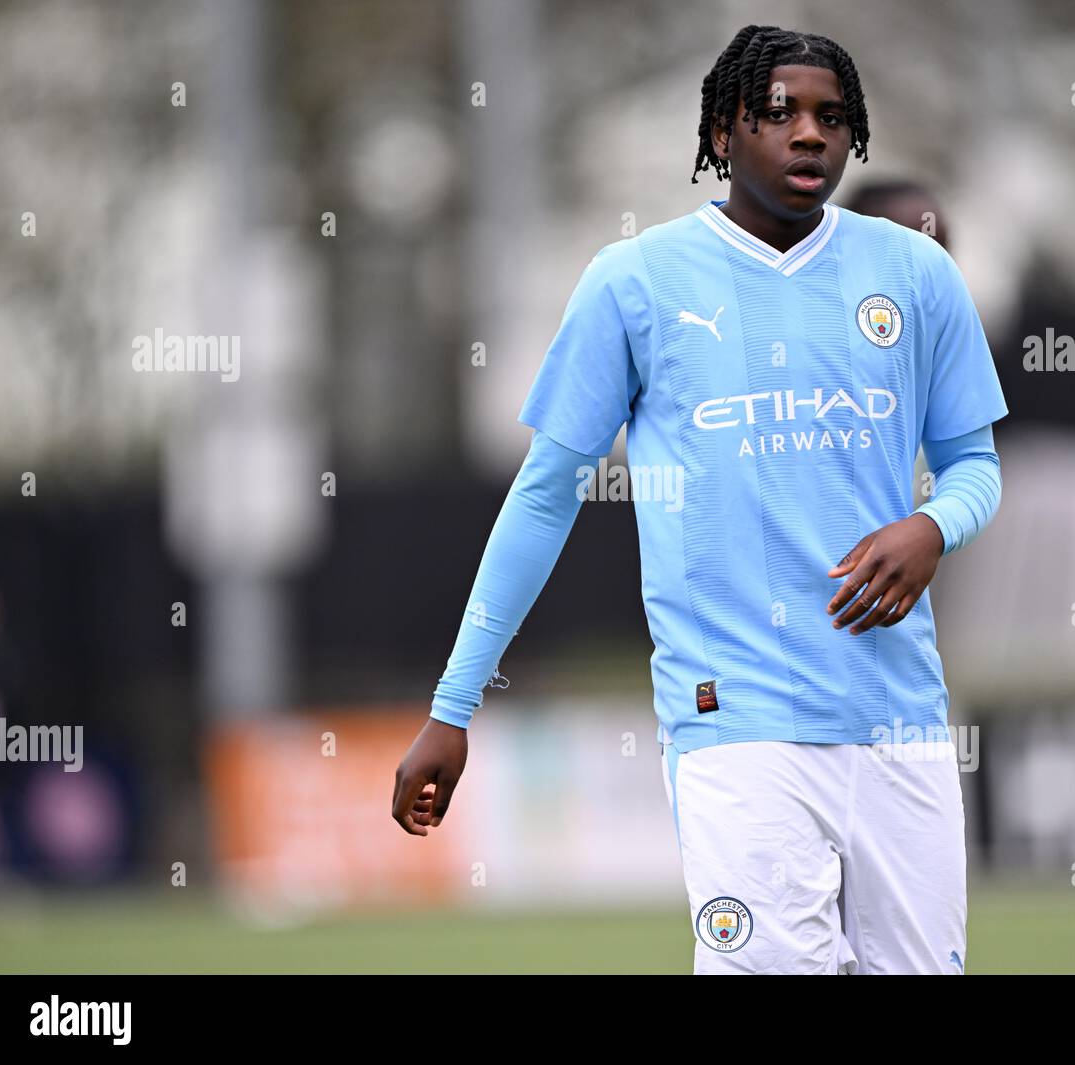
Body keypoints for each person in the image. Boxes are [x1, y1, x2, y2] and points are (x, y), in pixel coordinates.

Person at [393, 23, 1007, 975]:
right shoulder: (634, 282)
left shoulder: (917, 273)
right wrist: (453, 705)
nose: (810, 135)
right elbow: (545, 496)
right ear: (723, 133)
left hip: (901, 720)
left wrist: (933, 525)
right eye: (779, 113)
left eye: (832, 117)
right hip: (735, 721)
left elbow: (976, 466)